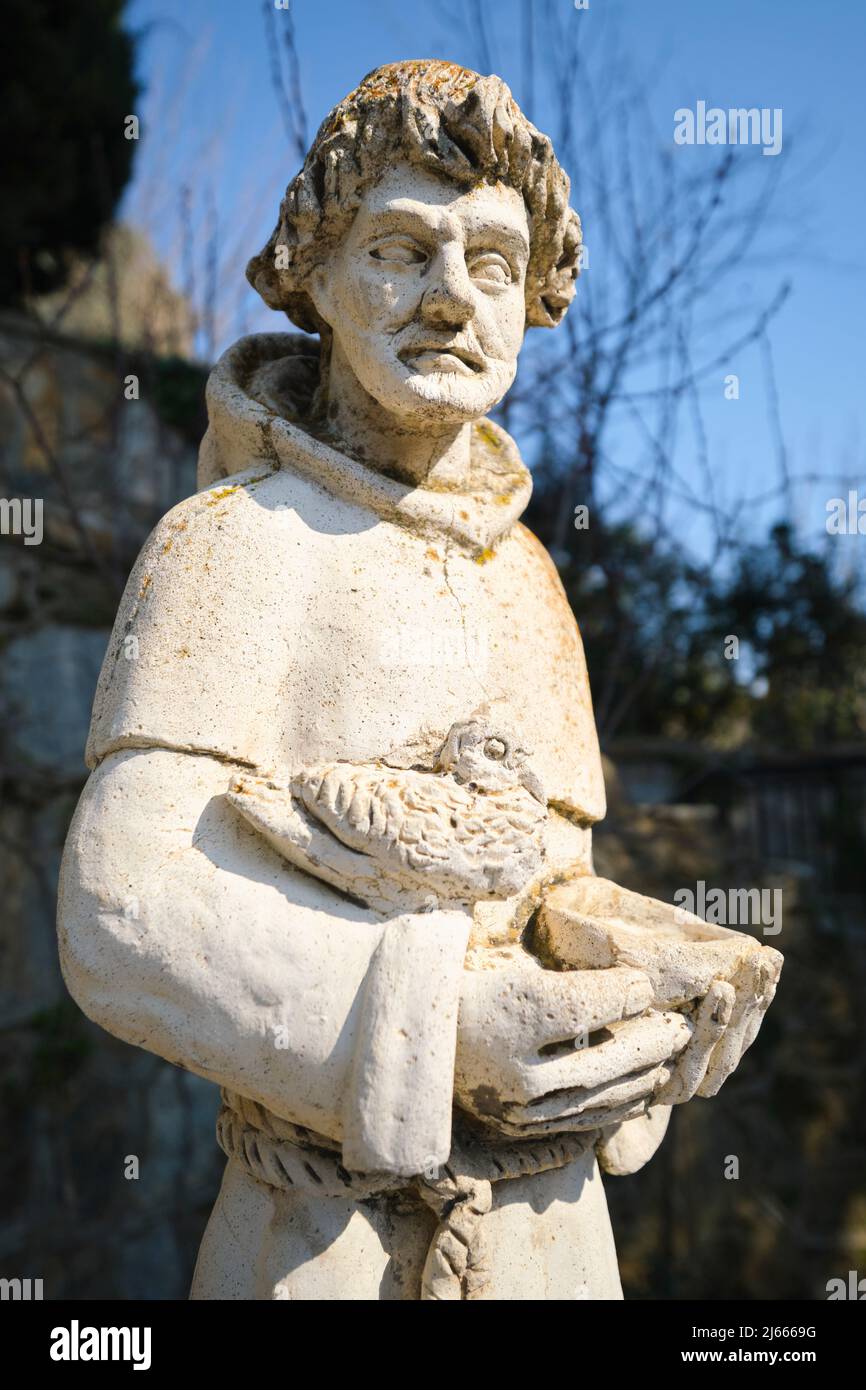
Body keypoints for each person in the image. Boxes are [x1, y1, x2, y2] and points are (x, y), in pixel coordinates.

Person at [58, 61, 773, 1301]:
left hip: (553, 1240)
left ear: (531, 300)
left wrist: (658, 966)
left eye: (492, 261)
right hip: (322, 1245)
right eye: (401, 248)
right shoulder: (231, 542)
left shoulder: (529, 582)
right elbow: (123, 912)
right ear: (318, 278)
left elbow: (544, 892)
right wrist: (433, 1029)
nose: (450, 298)